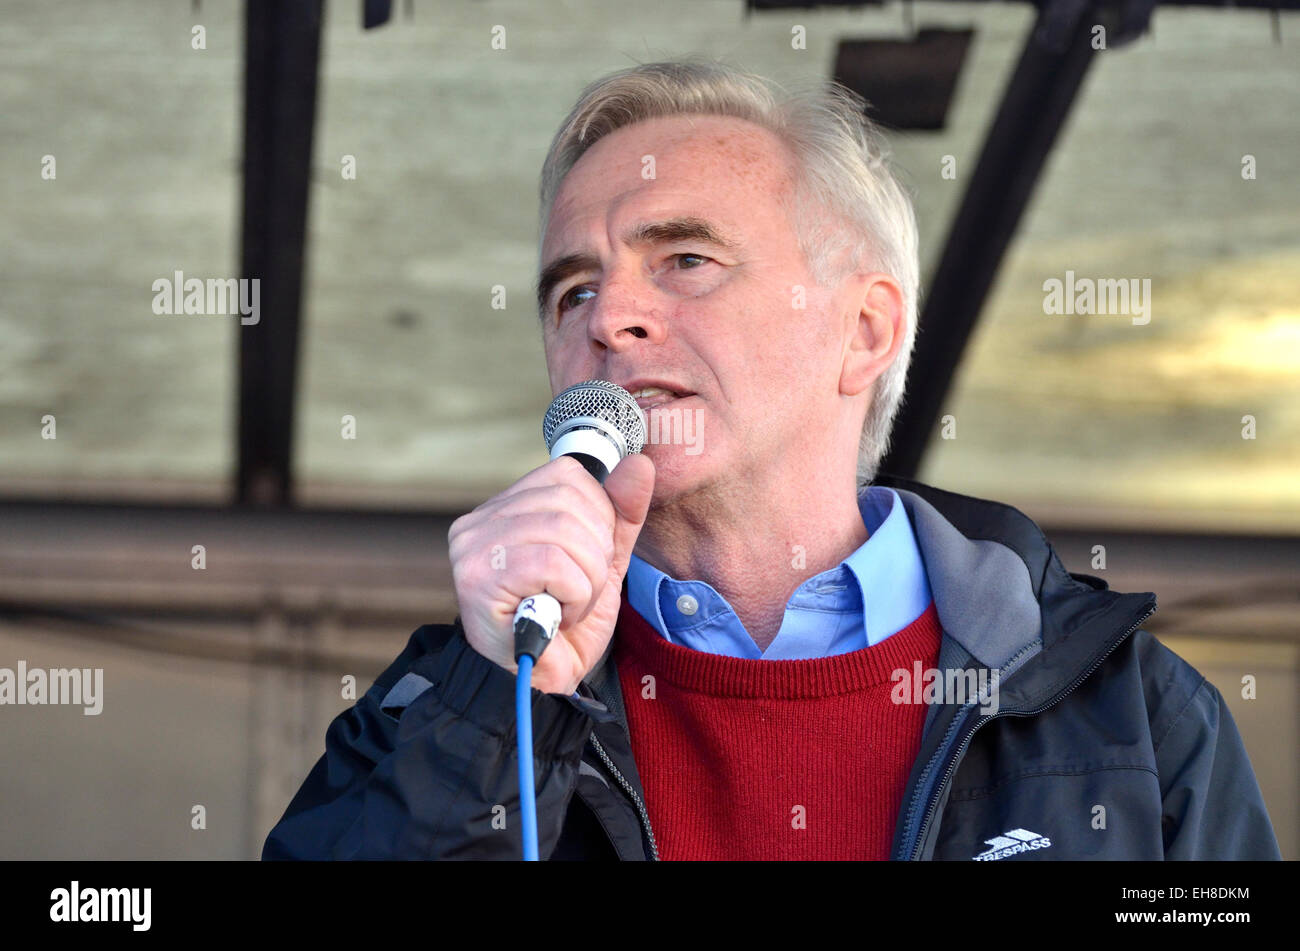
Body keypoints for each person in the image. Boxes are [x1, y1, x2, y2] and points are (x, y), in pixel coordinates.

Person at [262, 58, 1281, 861]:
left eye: (686, 260)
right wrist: (494, 710)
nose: (611, 318)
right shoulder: (435, 708)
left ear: (864, 332)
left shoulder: (1133, 719)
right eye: (574, 290)